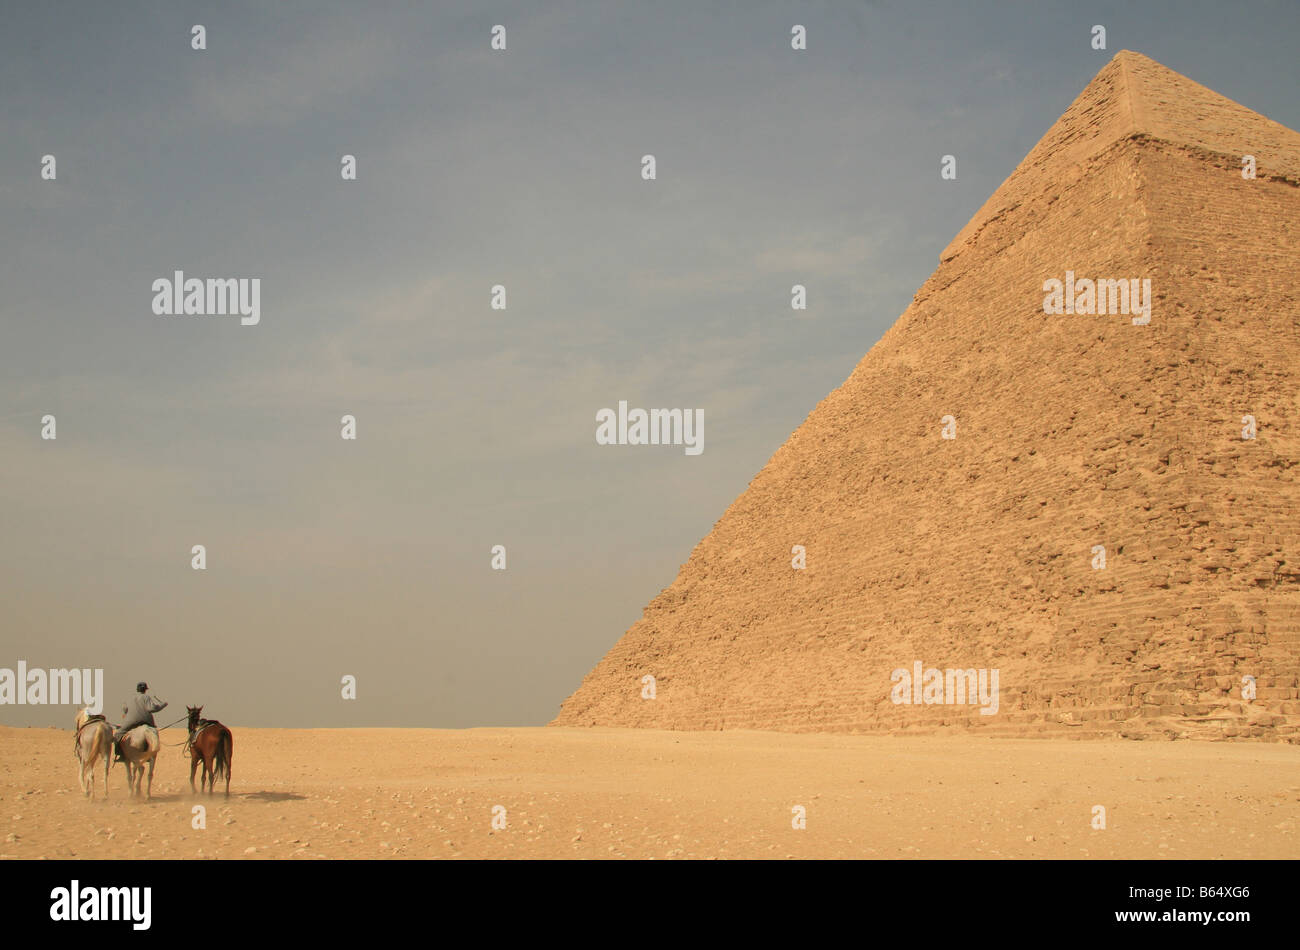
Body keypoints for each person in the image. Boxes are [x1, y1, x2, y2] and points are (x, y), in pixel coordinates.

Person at [114, 682, 167, 763]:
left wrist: (126, 715)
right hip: (146, 720)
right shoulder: (146, 697)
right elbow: (151, 709)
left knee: (118, 734)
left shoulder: (130, 697)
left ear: (137, 689)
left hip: (130, 721)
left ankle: (121, 755)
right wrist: (162, 705)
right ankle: (150, 754)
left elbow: (124, 709)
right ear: (145, 690)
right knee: (153, 733)